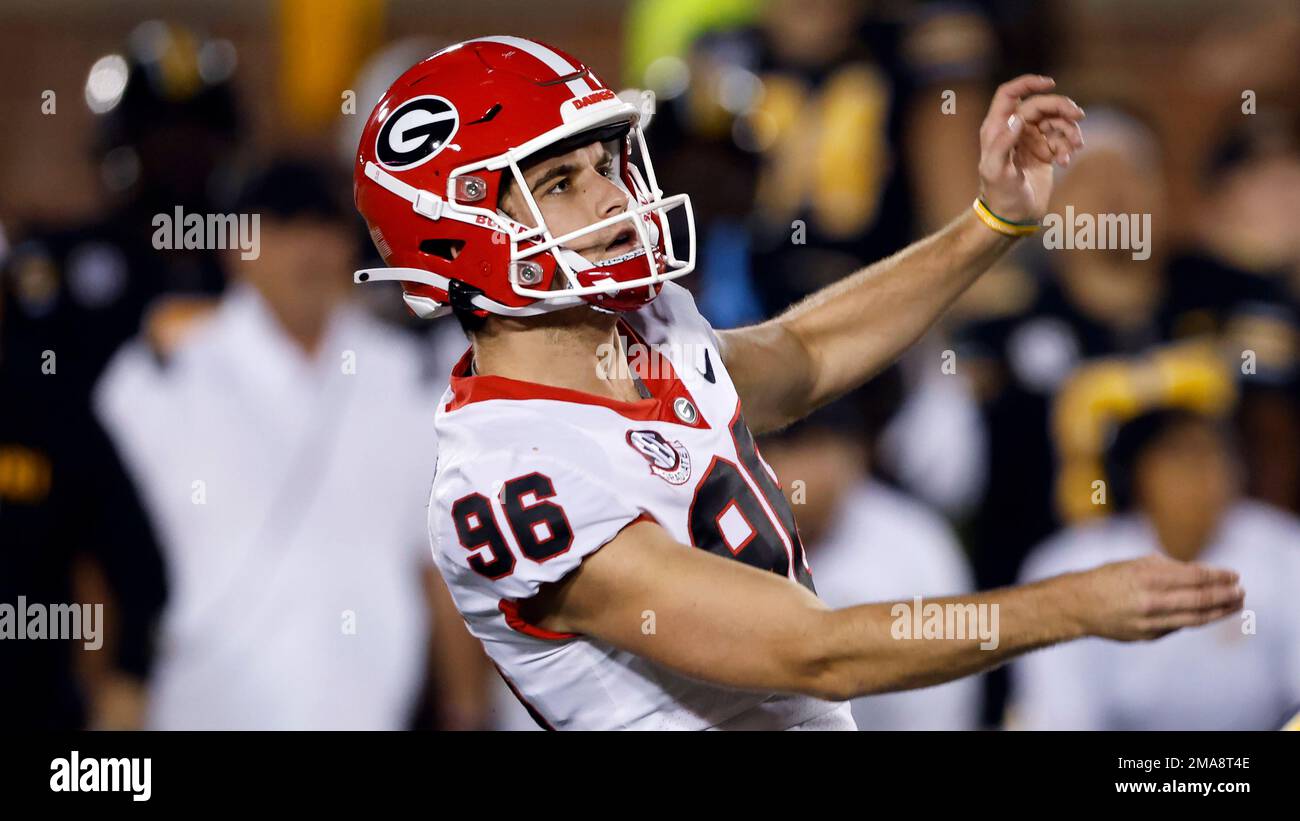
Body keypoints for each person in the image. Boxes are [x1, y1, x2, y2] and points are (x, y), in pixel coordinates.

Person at [353, 37, 1241, 731]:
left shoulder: (641, 330)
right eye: (559, 181)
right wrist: (1069, 605)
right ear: (456, 232)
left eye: (604, 162)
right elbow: (812, 651)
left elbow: (805, 355)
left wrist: (990, 223)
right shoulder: (506, 481)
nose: (614, 197)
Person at [94, 160, 490, 729]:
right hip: (200, 706)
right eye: (280, 229)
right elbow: (93, 545)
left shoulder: (406, 379)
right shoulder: (162, 375)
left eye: (323, 227)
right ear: (237, 248)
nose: (307, 250)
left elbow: (441, 564)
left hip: (366, 709)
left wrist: (467, 710)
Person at [1011, 408, 1300, 730]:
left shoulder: (1286, 551)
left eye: (1215, 455)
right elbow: (1059, 716)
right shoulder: (1069, 564)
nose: (1204, 476)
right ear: (1138, 473)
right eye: (1180, 457)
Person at [760, 388, 981, 730]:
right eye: (772, 450)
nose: (787, 471)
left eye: (811, 447)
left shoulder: (914, 544)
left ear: (855, 454)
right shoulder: (726, 532)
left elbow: (939, 704)